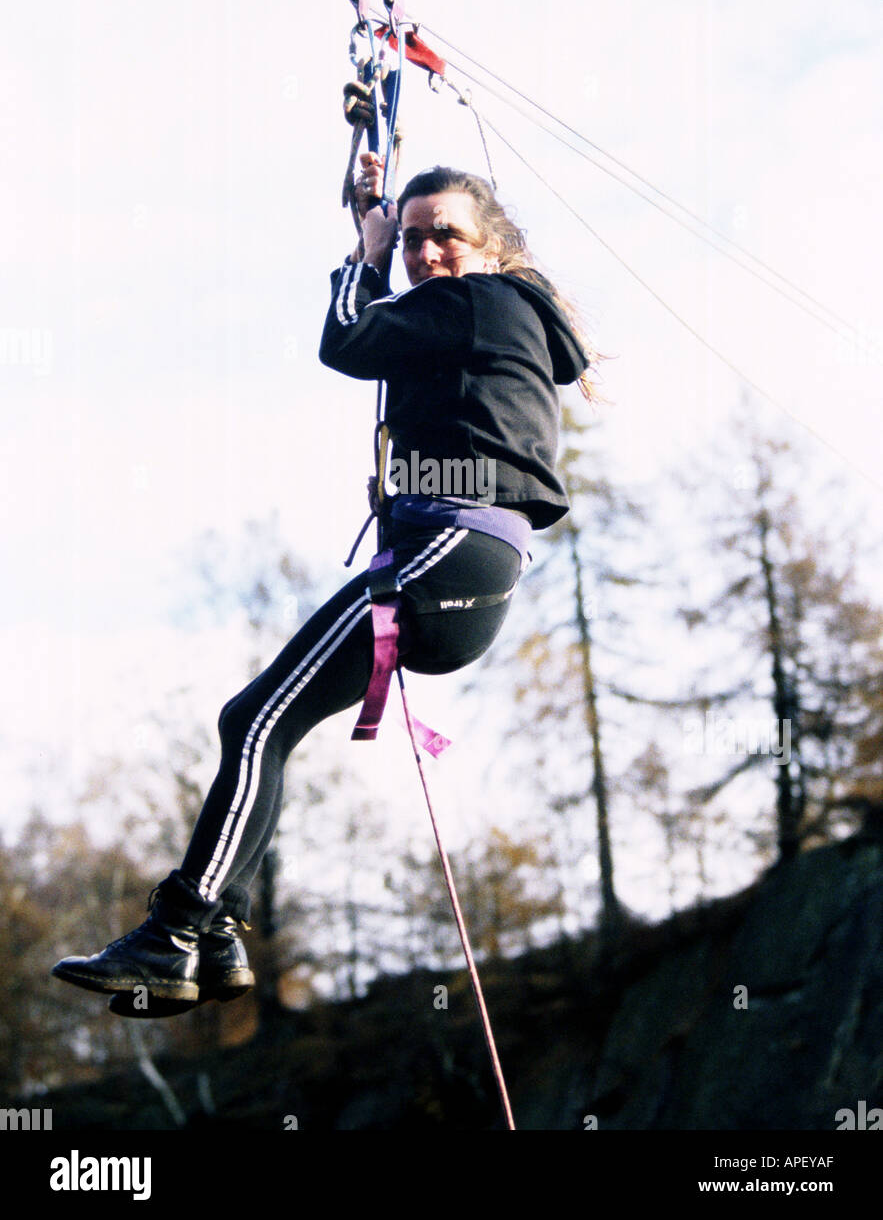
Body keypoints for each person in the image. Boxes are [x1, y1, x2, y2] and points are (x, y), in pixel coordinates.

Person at [51, 153, 593, 1015]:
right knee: (267, 720)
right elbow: (389, 345)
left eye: (444, 235)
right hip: (458, 563)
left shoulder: (478, 301)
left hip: (451, 550)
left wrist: (364, 256)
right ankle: (214, 939)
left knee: (256, 719)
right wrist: (372, 224)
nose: (426, 253)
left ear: (490, 246)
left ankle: (181, 930)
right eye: (413, 240)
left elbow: (345, 340)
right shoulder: (487, 315)